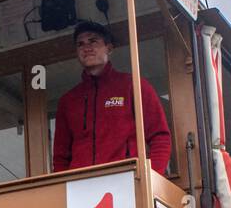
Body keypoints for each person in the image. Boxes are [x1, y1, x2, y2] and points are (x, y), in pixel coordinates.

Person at [51, 20, 171, 175]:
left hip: (127, 182)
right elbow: (60, 158)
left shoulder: (132, 85)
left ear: (109, 48)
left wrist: (151, 180)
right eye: (80, 44)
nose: (86, 48)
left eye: (93, 41)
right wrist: (65, 190)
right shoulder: (68, 101)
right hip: (80, 189)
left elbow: (160, 137)